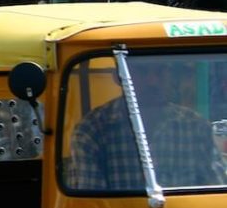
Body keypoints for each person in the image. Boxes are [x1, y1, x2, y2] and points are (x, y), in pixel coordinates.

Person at [67, 61, 227, 191]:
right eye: (141, 71)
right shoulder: (93, 130)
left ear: (170, 76)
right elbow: (91, 206)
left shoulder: (195, 127)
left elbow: (217, 190)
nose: (152, 81)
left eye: (160, 71)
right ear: (118, 76)